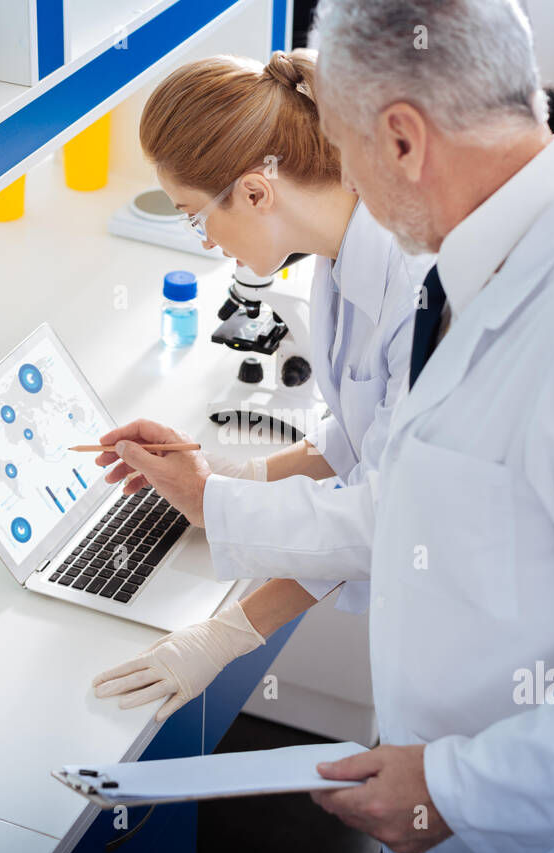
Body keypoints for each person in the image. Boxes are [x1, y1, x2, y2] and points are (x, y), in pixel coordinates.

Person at [98, 0, 554, 853]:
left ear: (402, 139)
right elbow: (413, 497)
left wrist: (459, 786)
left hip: (545, 833)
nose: (338, 176)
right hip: (441, 785)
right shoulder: (477, 271)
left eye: (339, 147)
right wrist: (223, 486)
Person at [91, 50, 429, 721]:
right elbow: (364, 442)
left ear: (254, 191)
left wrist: (211, 514)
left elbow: (388, 517)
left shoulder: (419, 283)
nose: (204, 240)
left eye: (194, 214)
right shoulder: (342, 258)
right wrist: (232, 474)